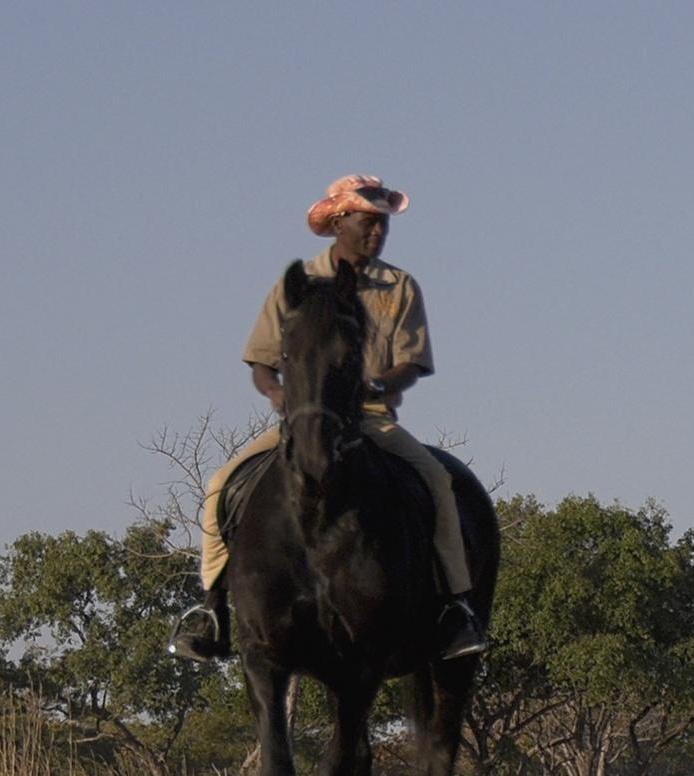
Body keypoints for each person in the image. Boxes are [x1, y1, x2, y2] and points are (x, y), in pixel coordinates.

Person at [169, 174, 486, 663]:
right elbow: (261, 359)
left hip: (372, 420)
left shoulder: (398, 286)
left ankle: (455, 608)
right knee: (218, 486)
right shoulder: (296, 285)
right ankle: (211, 611)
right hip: (302, 420)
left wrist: (380, 384)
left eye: (382, 223)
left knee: (439, 483)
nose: (377, 232)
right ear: (340, 221)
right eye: (368, 221)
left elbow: (411, 360)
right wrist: (278, 393)